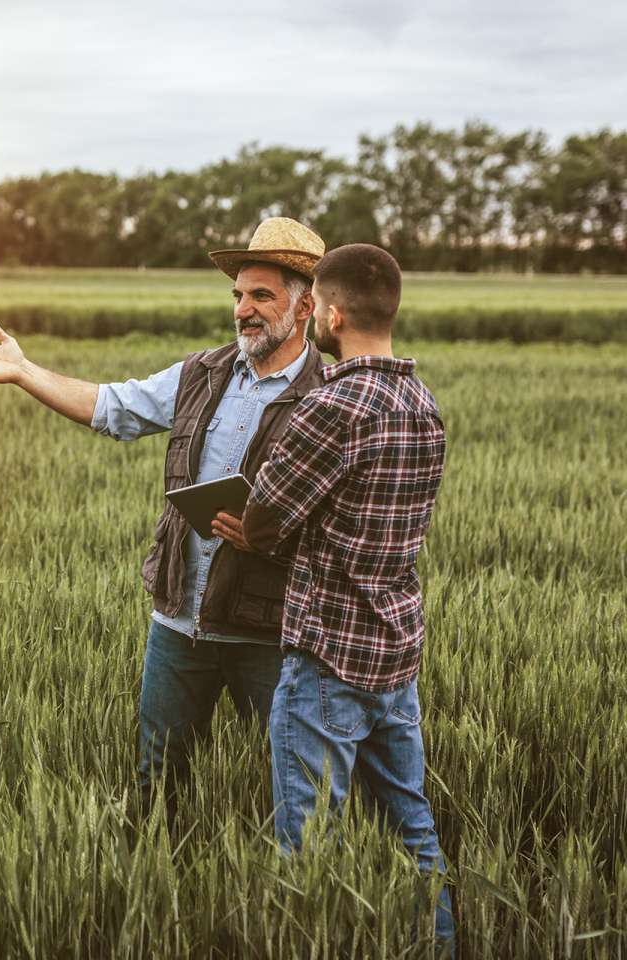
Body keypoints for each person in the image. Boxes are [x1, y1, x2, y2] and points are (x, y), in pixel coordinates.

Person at [0, 217, 325, 817]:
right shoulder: (202, 374)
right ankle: (154, 876)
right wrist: (25, 372)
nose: (243, 310)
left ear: (304, 309)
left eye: (261, 296)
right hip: (179, 620)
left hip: (270, 631)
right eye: (237, 295)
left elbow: (352, 517)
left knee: (292, 789)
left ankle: (281, 894)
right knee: (155, 784)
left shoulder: (331, 394)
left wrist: (268, 533)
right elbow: (112, 406)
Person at [213, 243, 455, 950]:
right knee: (414, 828)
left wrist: (251, 531)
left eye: (314, 304)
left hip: (327, 657)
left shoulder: (331, 405)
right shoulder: (423, 403)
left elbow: (264, 517)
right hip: (395, 654)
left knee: (308, 842)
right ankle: (440, 944)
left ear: (334, 312)